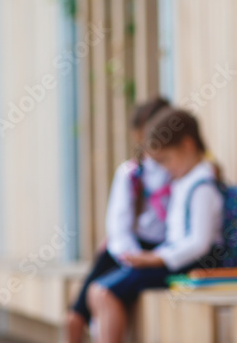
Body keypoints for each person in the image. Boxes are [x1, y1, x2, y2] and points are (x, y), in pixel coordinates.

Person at [87, 108, 224, 343]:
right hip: (172, 259)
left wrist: (156, 258)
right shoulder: (185, 182)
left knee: (104, 292)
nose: (164, 168)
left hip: (189, 263)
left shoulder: (202, 186)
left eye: (166, 160)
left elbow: (200, 243)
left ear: (188, 146)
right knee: (97, 291)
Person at [66, 97, 172, 343]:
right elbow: (118, 228)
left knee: (103, 294)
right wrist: (133, 259)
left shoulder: (180, 174)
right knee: (73, 319)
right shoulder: (132, 173)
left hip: (160, 253)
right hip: (126, 251)